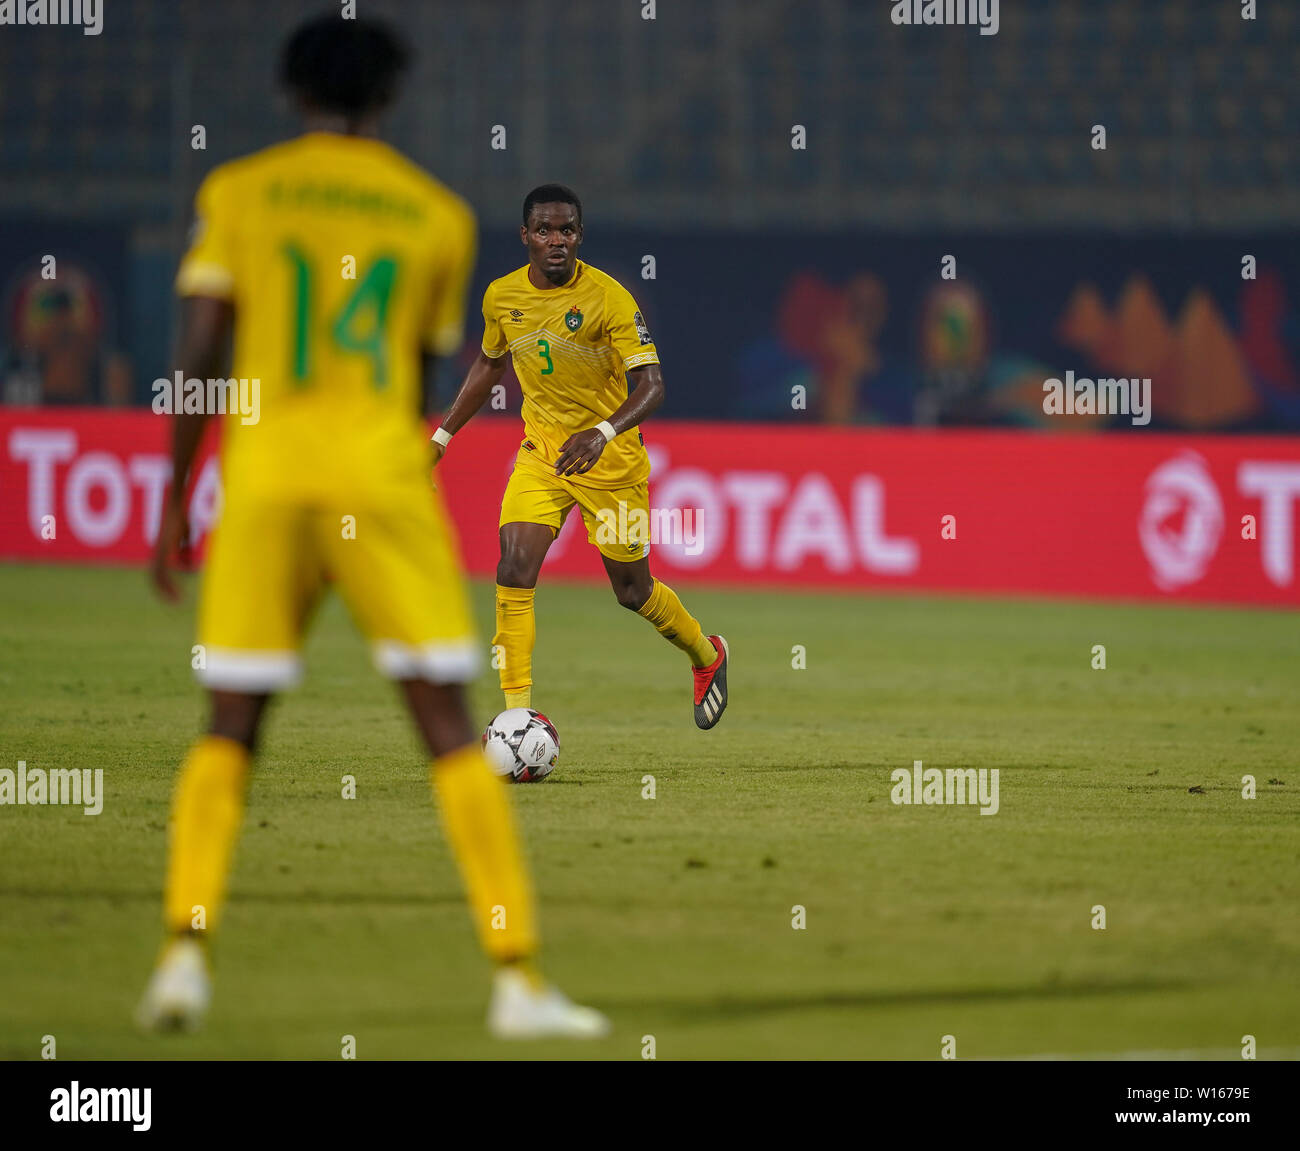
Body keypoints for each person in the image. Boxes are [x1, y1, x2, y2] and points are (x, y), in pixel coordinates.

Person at [139, 16, 607, 1040]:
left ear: (289, 89)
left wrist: (176, 495)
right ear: (391, 97)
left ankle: (182, 955)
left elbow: (202, 351)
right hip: (379, 482)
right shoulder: (431, 214)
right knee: (446, 723)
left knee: (229, 723)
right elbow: (413, 378)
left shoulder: (239, 194)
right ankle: (517, 978)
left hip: (264, 481)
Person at [432, 185, 730, 729]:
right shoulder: (501, 297)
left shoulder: (610, 298)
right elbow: (488, 364)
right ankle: (516, 716)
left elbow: (653, 385)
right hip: (542, 452)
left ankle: (707, 654)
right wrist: (442, 437)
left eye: (566, 230)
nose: (555, 241)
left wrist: (602, 432)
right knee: (514, 567)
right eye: (544, 230)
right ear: (525, 236)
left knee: (632, 590)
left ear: (579, 236)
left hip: (610, 462)